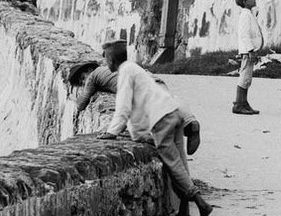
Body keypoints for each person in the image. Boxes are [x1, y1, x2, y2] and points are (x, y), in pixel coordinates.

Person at [98, 41, 213, 216]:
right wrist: (138, 134)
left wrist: (112, 132)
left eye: (106, 60)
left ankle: (201, 202)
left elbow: (124, 107)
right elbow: (138, 107)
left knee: (173, 164)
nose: (106, 64)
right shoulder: (135, 68)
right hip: (173, 111)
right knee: (181, 161)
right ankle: (184, 210)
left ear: (111, 59)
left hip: (161, 119)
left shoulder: (125, 73)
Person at [67, 60, 200, 155]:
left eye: (81, 79)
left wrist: (75, 99)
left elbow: (81, 104)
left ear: (88, 70)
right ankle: (190, 122)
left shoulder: (93, 76)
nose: (84, 83)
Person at [232, 0, 265, 115]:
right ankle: (239, 104)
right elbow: (244, 34)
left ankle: (243, 102)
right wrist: (251, 50)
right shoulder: (245, 15)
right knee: (245, 77)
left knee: (247, 78)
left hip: (250, 51)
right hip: (247, 51)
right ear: (245, 2)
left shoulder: (249, 14)